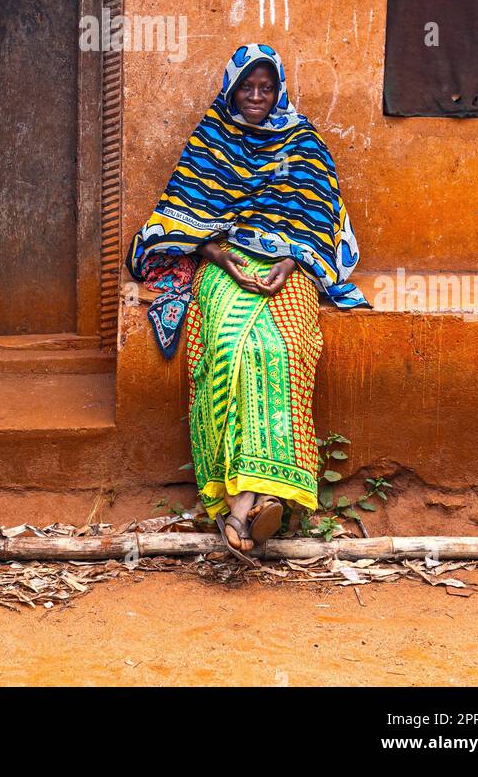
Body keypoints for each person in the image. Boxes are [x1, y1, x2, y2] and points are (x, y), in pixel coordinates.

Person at [127, 43, 368, 554]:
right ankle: (249, 508)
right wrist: (216, 256)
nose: (256, 97)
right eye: (247, 88)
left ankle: (242, 511)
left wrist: (292, 260)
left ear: (278, 89)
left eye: (266, 88)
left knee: (279, 352)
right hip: (225, 263)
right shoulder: (211, 137)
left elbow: (321, 217)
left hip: (288, 268)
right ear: (232, 89)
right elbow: (181, 208)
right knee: (231, 350)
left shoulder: (301, 141)